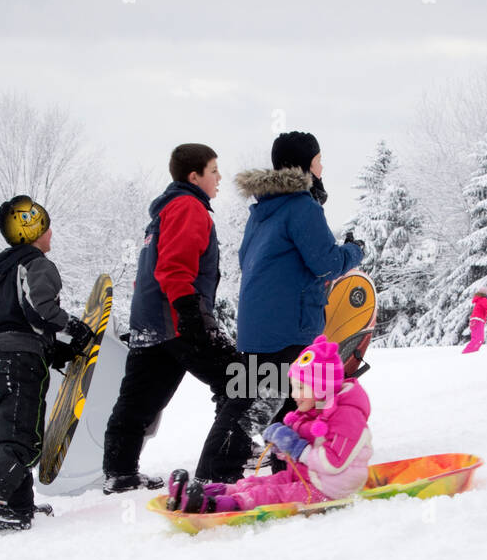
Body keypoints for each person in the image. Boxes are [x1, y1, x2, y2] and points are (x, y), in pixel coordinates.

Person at [103, 143, 253, 493]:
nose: (219, 178)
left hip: (150, 325)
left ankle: (119, 472)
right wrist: (190, 314)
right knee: (244, 379)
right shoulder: (188, 207)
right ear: (194, 176)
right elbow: (173, 267)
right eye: (214, 171)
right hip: (178, 321)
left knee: (138, 402)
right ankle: (229, 457)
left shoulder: (163, 212)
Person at [0, 195, 95, 531]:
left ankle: (17, 505)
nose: (51, 234)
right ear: (33, 230)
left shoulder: (1, 271)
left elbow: (17, 319)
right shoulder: (37, 264)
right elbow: (40, 308)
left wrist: (52, 351)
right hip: (19, 359)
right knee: (23, 440)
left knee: (11, 433)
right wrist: (73, 328)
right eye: (46, 227)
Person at [234, 131, 363, 439]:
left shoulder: (262, 210)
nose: (322, 169)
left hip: (256, 325)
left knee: (248, 401)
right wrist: (355, 250)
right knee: (294, 397)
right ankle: (218, 473)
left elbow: (247, 260)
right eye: (318, 162)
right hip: (290, 326)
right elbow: (327, 263)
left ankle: (276, 464)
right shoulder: (301, 207)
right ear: (305, 167)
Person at [165, 335, 371, 513]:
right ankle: (198, 493)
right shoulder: (315, 407)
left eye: (300, 387)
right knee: (256, 483)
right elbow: (306, 449)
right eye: (294, 387)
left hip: (333, 487)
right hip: (309, 477)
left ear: (321, 386)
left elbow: (332, 463)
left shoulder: (347, 416)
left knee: (269, 494)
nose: (294, 394)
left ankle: (210, 505)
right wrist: (283, 446)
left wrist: (296, 446)